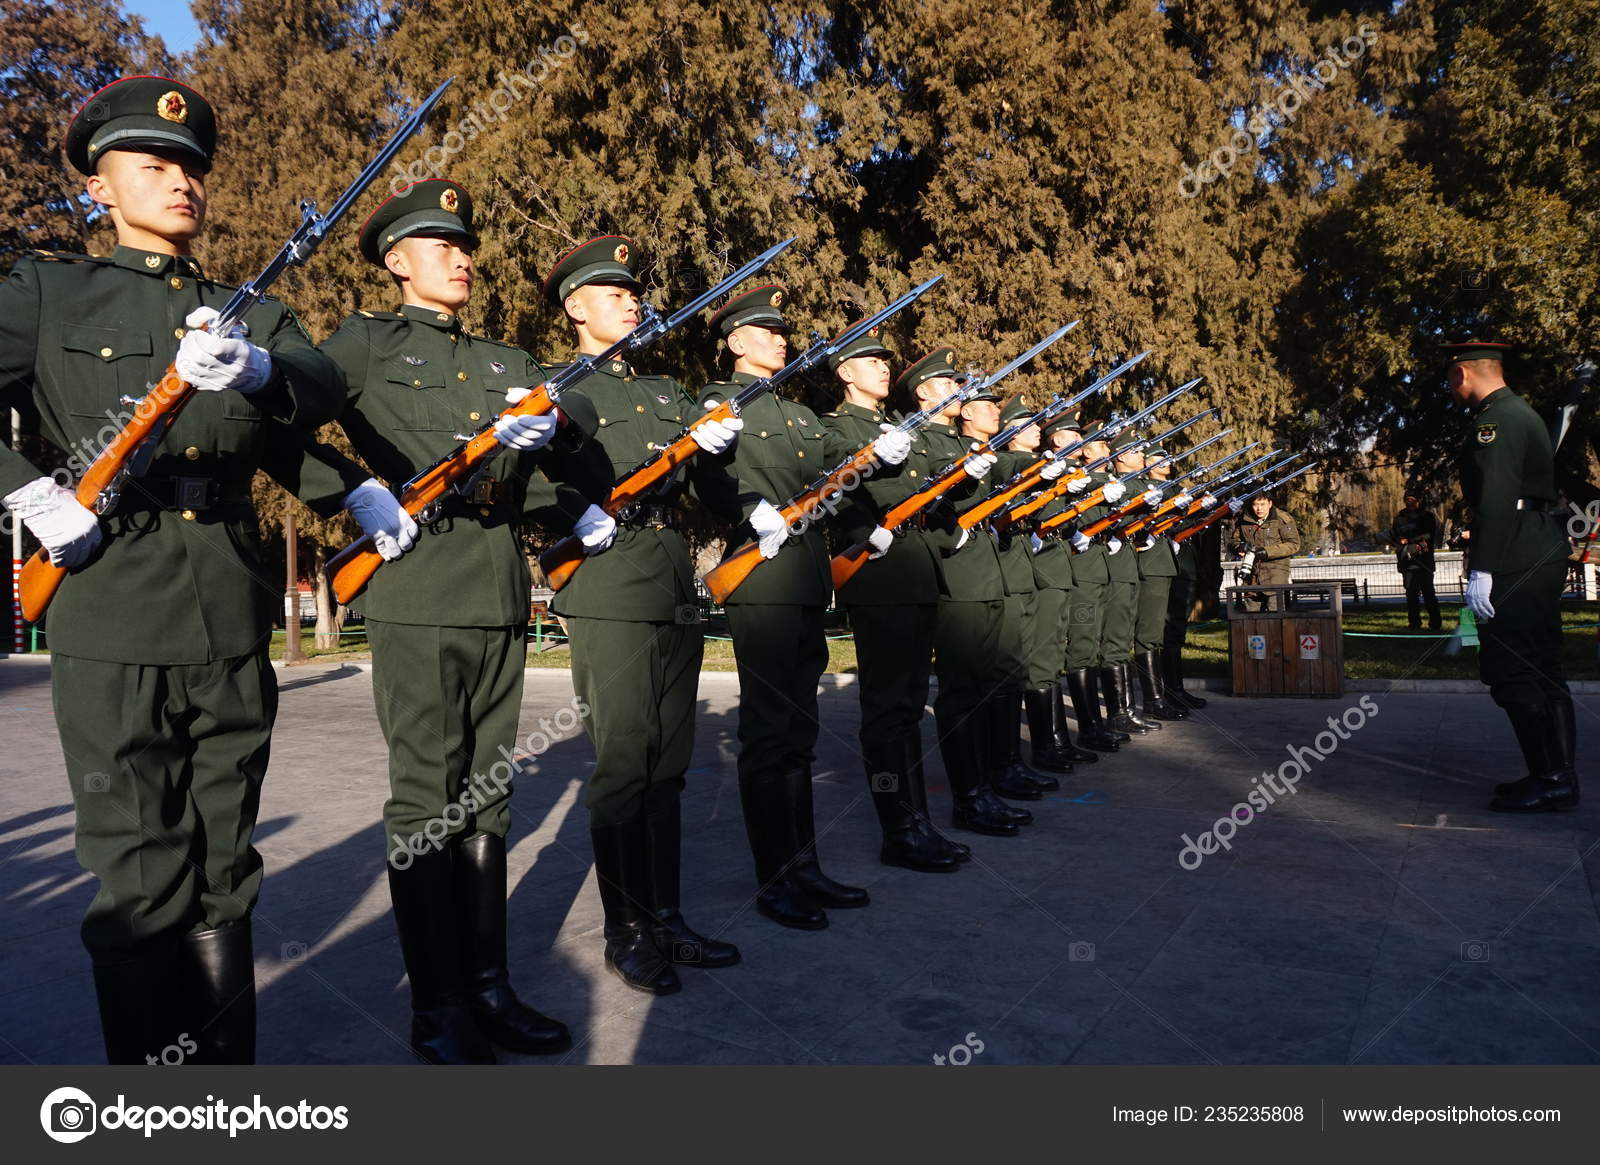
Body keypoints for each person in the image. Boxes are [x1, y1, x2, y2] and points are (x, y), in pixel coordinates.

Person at [0, 77, 414, 1063]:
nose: (181, 180)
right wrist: (25, 490)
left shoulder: (244, 315)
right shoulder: (52, 291)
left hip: (230, 609)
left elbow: (308, 394)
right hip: (112, 602)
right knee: (142, 874)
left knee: (226, 862)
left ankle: (222, 1087)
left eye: (191, 165)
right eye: (153, 164)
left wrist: (283, 402)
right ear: (100, 187)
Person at [312, 180, 582, 1061]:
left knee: (487, 795)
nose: (462, 256)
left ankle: (488, 987)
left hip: (496, 588)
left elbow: (556, 461)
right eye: (440, 244)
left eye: (465, 244)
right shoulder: (363, 343)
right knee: (429, 799)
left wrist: (553, 457)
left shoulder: (508, 361)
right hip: (418, 588)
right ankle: (437, 1007)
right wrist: (352, 493)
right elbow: (275, 417)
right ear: (396, 260)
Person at [535, 235, 743, 994]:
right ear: (575, 308)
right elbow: (533, 473)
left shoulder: (662, 391)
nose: (629, 299)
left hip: (667, 578)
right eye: (610, 290)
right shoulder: (553, 388)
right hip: (606, 580)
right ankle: (625, 931)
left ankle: (666, 916)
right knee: (624, 766)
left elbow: (701, 469)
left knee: (667, 765)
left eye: (631, 289)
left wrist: (714, 437)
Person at [697, 286, 873, 928]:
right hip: (761, 578)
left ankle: (805, 866)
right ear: (736, 341)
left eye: (781, 331)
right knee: (769, 732)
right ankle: (774, 879)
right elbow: (706, 474)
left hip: (802, 581)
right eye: (765, 332)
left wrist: (875, 451)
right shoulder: (718, 402)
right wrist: (748, 511)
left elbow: (840, 474)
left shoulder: (800, 414)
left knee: (799, 731)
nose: (780, 339)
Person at [820, 332, 965, 872]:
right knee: (886, 710)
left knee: (907, 706)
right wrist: (862, 528)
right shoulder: (836, 429)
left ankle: (917, 822)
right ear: (845, 374)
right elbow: (827, 489)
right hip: (878, 573)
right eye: (871, 362)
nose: (884, 369)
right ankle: (898, 829)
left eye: (886, 360)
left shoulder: (901, 430)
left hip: (917, 570)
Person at [1445, 340, 1577, 812]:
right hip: (1537, 544)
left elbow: (1496, 498)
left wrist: (1481, 566)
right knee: (1544, 666)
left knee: (1513, 670)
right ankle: (1555, 774)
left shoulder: (1494, 423)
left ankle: (1551, 778)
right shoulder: (1525, 414)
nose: (1450, 390)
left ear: (1463, 374)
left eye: (1449, 380)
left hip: (1513, 553)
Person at [914, 352, 1032, 835]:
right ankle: (968, 799)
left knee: (988, 688)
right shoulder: (926, 443)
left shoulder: (965, 446)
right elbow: (922, 509)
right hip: (957, 582)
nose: (961, 391)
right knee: (962, 694)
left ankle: (987, 784)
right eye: (949, 382)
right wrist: (954, 534)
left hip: (986, 576)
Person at [1128, 445, 1188, 720]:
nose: (1167, 462)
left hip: (1163, 562)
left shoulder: (1167, 486)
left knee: (1161, 632)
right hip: (1148, 564)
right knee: (1147, 634)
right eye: (1158, 459)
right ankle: (1152, 700)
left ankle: (1165, 694)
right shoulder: (1137, 485)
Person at [1230, 494, 1299, 612]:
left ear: (1270, 504)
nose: (1259, 509)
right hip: (1251, 574)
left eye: (1262, 504)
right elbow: (1232, 541)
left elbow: (1293, 544)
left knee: (1275, 613)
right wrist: (1239, 547)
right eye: (1255, 505)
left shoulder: (1281, 519)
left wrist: (1267, 552)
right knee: (1251, 615)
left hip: (1275, 573)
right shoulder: (1244, 519)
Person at [1393, 490, 1442, 631]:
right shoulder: (1400, 517)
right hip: (1407, 563)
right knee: (1411, 595)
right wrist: (1399, 541)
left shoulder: (1427, 516)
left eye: (1413, 499)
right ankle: (1414, 623)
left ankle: (1435, 623)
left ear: (1419, 501)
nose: (1410, 502)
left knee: (1428, 593)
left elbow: (1429, 536)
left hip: (1424, 562)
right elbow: (1395, 535)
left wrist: (1410, 540)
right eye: (1407, 499)